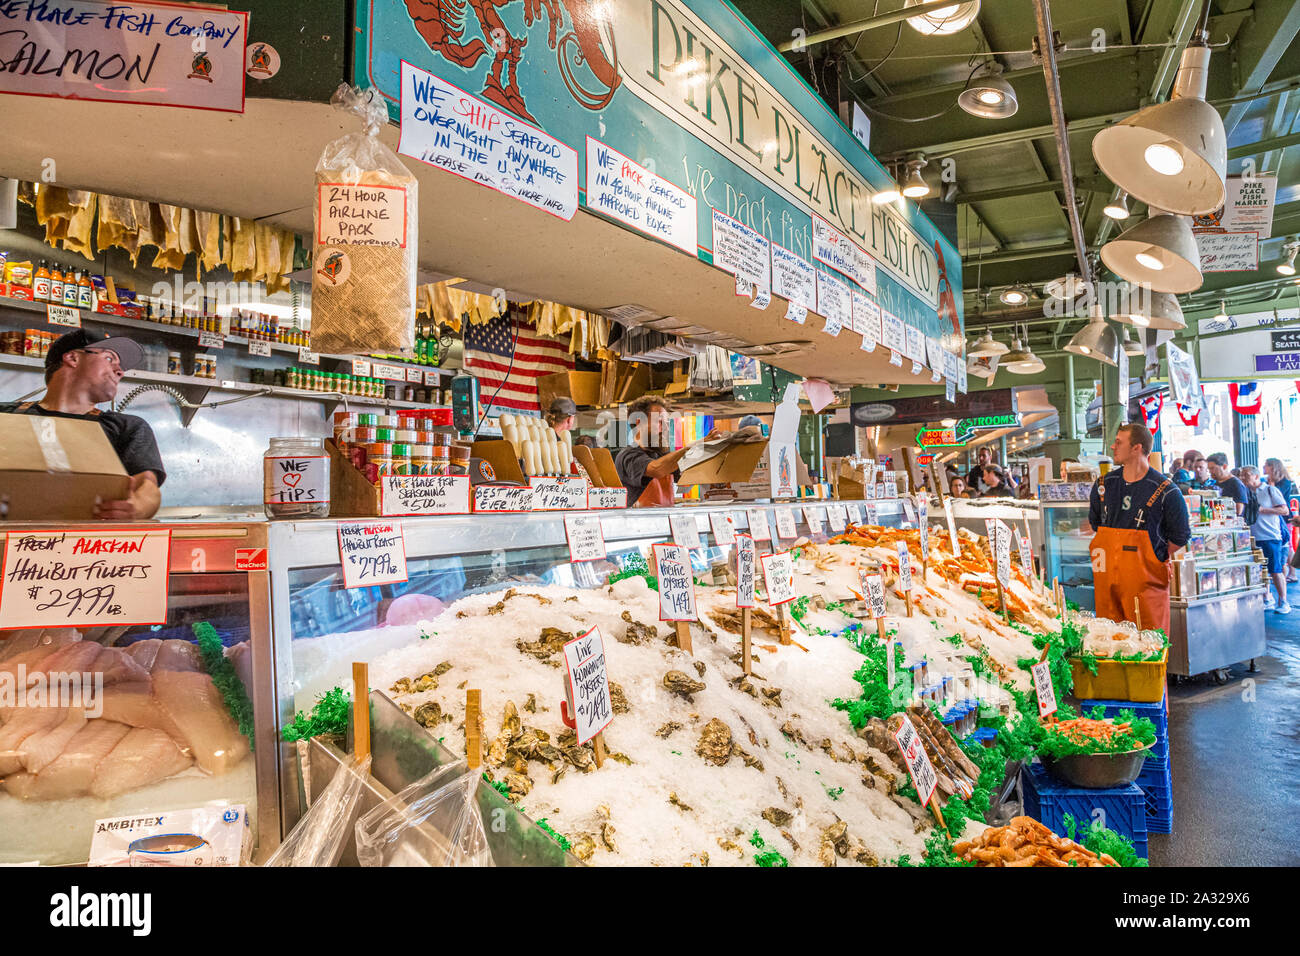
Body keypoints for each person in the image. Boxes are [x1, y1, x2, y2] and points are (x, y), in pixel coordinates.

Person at [0, 328, 163, 520]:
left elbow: (148, 486)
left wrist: (136, 507)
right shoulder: (5, 415)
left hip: (89, 546)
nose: (120, 372)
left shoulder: (127, 427)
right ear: (73, 358)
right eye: (110, 359)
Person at [1088, 423, 1190, 633]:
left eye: (1119, 442)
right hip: (1107, 583)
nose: (1113, 447)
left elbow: (1179, 537)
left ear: (1137, 448)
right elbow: (1096, 525)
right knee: (1107, 641)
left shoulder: (1167, 491)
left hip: (1146, 585)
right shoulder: (1103, 485)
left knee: (1148, 643)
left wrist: (1150, 556)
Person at [614, 396, 717, 507]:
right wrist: (689, 448)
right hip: (638, 522)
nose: (666, 428)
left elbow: (686, 480)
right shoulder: (628, 455)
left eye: (667, 423)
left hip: (661, 520)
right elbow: (656, 469)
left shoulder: (661, 455)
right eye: (659, 422)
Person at [1240, 466, 1291, 613]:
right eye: (1242, 475)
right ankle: (1267, 598)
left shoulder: (1270, 490)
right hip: (1253, 536)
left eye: (1246, 475)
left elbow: (1284, 510)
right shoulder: (1246, 492)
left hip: (1270, 536)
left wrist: (1263, 510)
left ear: (1256, 476)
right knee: (1260, 571)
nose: (1243, 478)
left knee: (1275, 570)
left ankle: (1283, 601)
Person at [1264, 458, 1298, 582]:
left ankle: (1292, 572)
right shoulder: (1270, 481)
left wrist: (1271, 486)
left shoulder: (1284, 482)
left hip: (1284, 517)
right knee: (1282, 544)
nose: (1264, 467)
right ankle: (1284, 572)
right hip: (1275, 517)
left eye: (1266, 465)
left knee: (1287, 545)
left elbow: (1277, 498)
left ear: (1273, 467)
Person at [1206, 452, 1246, 516]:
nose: (1210, 472)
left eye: (1212, 468)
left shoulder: (1236, 484)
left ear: (1224, 466)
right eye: (1209, 469)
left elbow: (1238, 510)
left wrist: (1215, 508)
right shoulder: (1214, 483)